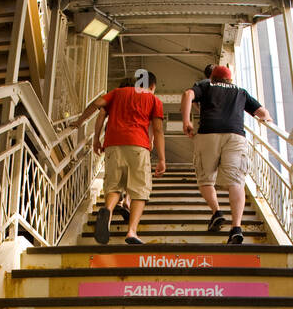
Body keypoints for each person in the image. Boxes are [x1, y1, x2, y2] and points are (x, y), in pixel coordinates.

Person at [72, 70, 166, 245]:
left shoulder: (116, 93)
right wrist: (161, 158)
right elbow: (158, 129)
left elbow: (96, 105)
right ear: (152, 86)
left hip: (113, 144)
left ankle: (107, 210)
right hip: (138, 144)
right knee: (139, 190)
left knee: (114, 186)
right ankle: (131, 232)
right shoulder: (153, 100)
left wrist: (82, 124)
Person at [181, 65, 272, 244]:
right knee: (236, 182)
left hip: (209, 134)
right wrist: (267, 120)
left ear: (212, 78)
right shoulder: (241, 91)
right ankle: (236, 227)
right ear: (230, 80)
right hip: (235, 136)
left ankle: (217, 212)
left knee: (205, 179)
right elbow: (262, 113)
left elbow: (187, 95)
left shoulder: (207, 86)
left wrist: (186, 121)